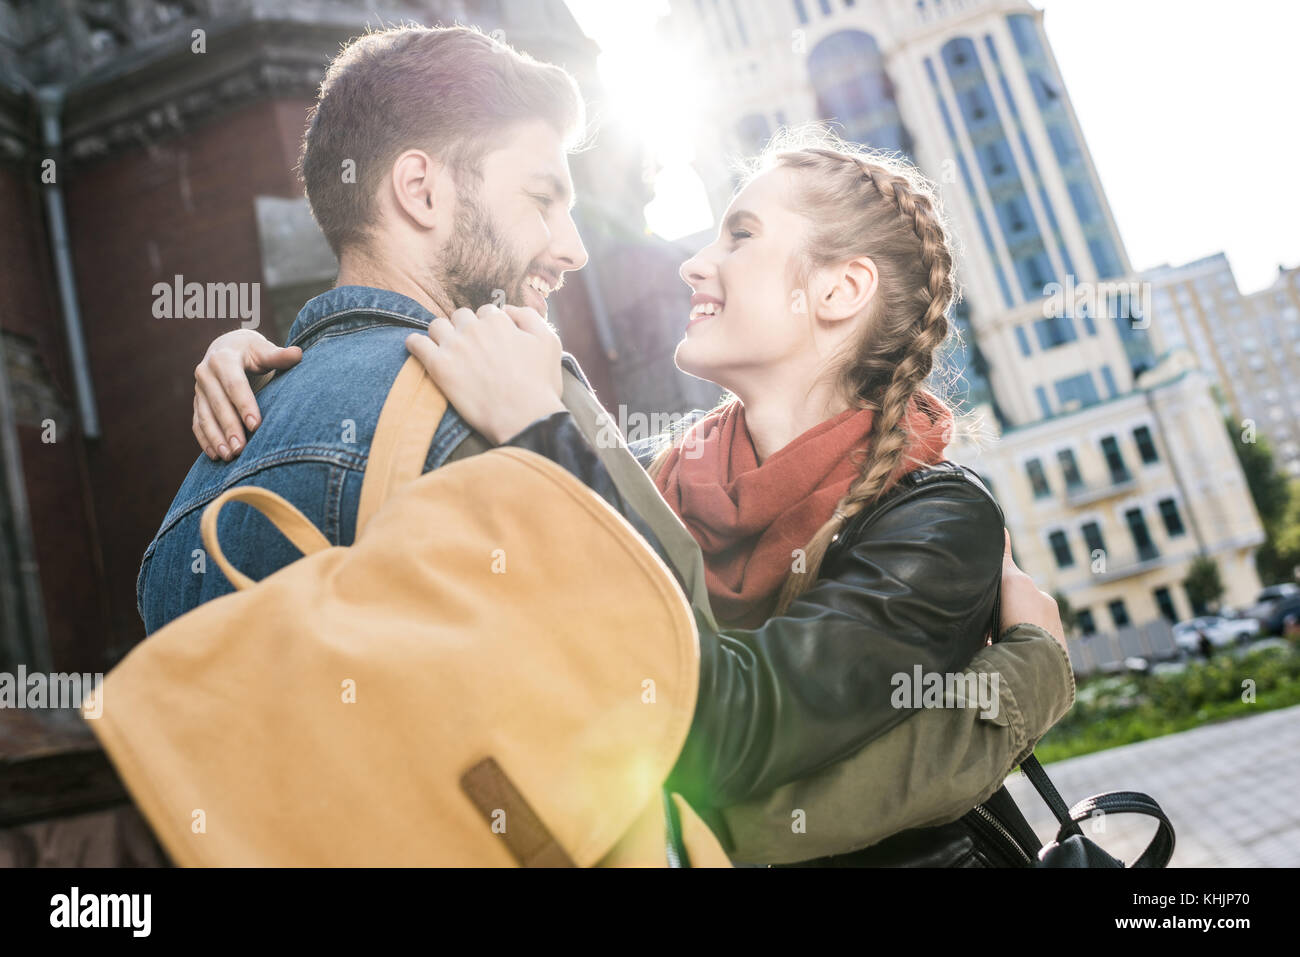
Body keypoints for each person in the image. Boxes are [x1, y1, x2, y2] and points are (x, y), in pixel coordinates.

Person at [146, 25, 1073, 862]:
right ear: (421, 190)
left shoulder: (204, 480)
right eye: (545, 198)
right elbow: (685, 756)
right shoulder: (533, 428)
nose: (579, 247)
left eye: (739, 235)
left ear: (840, 294)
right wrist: (1028, 677)